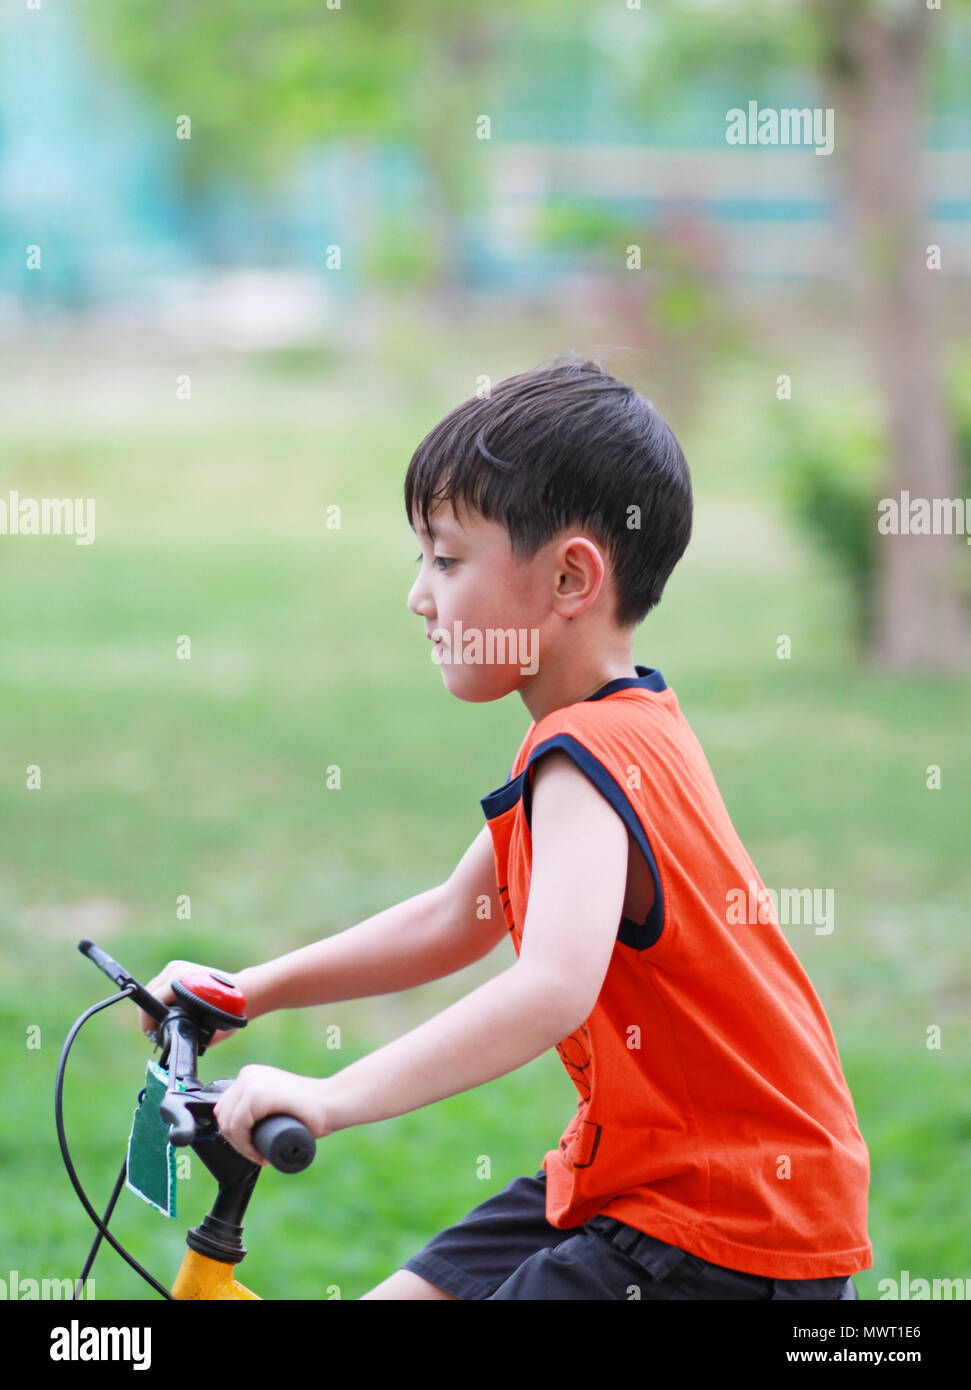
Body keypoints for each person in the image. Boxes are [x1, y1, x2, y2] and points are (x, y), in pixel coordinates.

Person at [140, 355, 872, 1300]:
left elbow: (551, 990)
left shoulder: (585, 755)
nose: (419, 596)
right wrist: (245, 992)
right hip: (642, 1169)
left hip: (722, 1224)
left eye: (446, 559)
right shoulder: (608, 732)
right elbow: (456, 916)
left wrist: (331, 1096)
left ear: (570, 576)